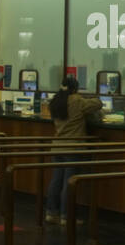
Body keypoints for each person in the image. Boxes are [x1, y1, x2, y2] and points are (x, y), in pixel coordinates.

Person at [44, 76, 102, 225]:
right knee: (69, 182)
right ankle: (66, 216)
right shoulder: (76, 100)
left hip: (57, 146)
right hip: (72, 147)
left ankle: (51, 213)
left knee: (56, 180)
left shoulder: (56, 101)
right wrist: (91, 96)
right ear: (75, 89)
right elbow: (97, 104)